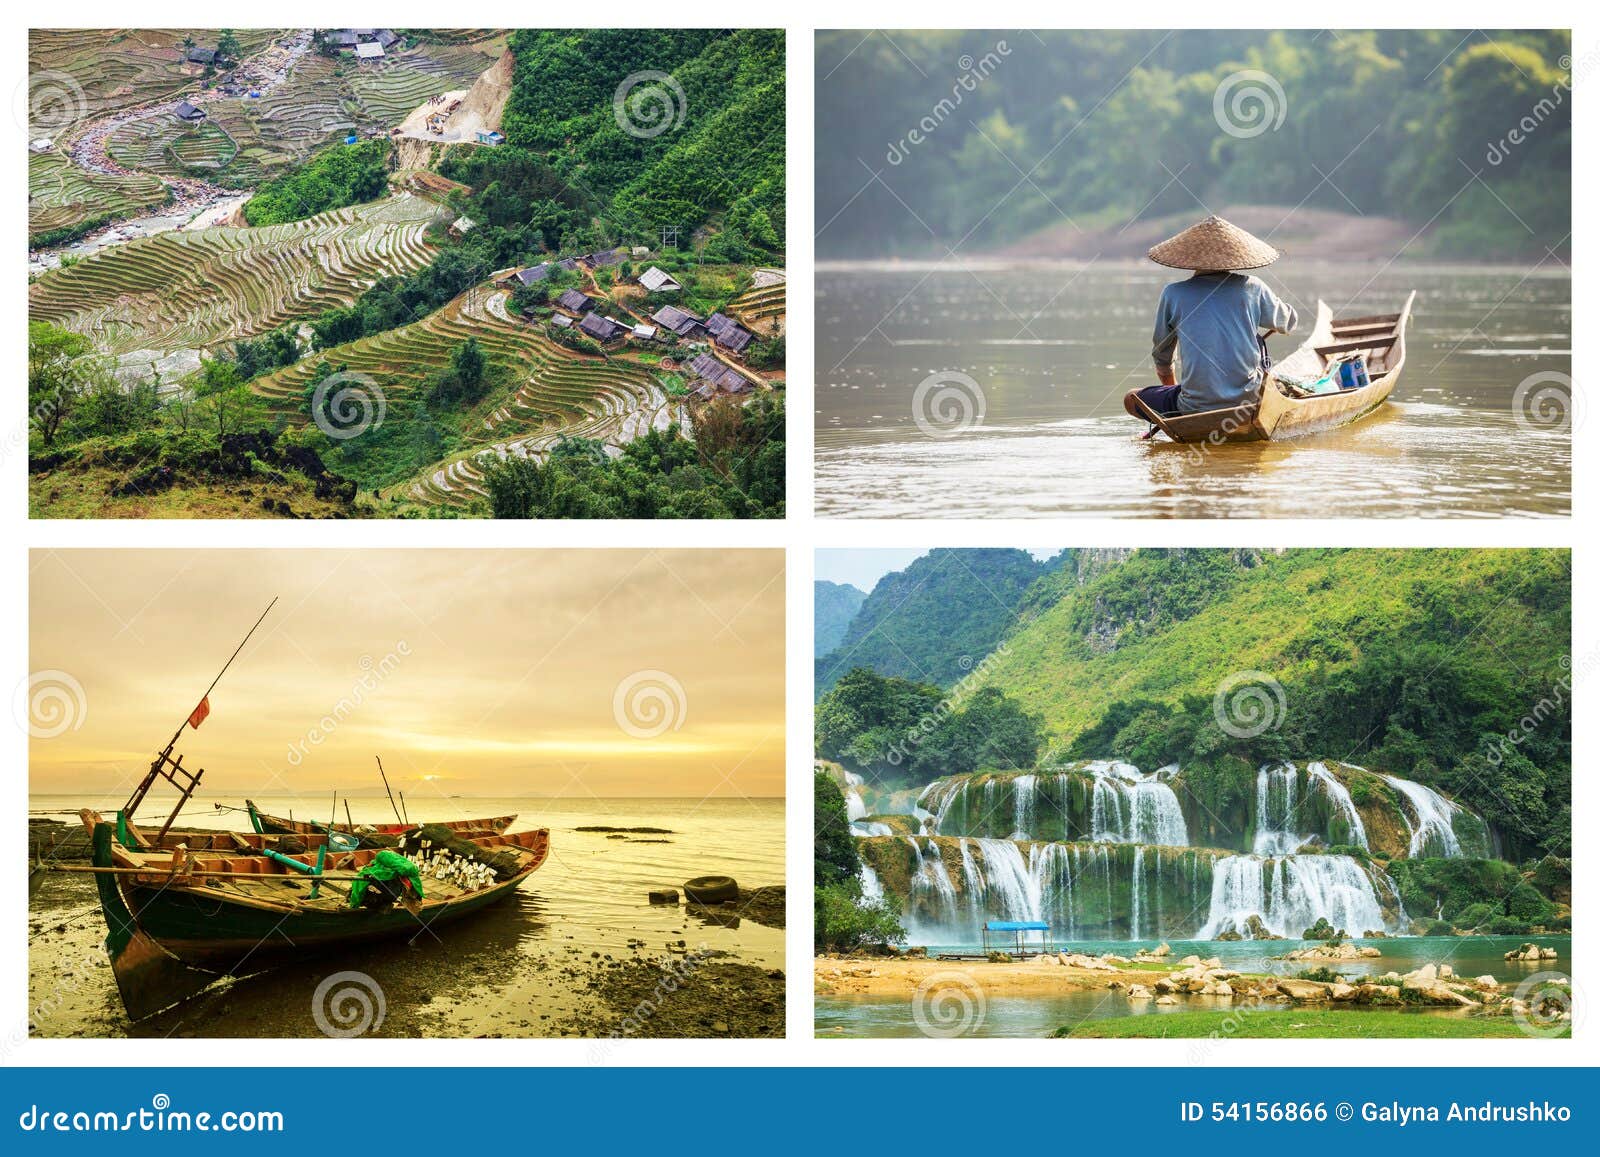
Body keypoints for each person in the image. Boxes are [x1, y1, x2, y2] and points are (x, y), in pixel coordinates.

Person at [1124, 215, 1297, 430]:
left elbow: (1162, 356)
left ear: (1188, 259)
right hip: (1249, 403)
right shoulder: (1253, 287)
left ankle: (1184, 413)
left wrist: (1176, 397)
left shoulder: (1174, 294)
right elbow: (1289, 323)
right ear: (1235, 257)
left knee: (1131, 398)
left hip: (1193, 406)